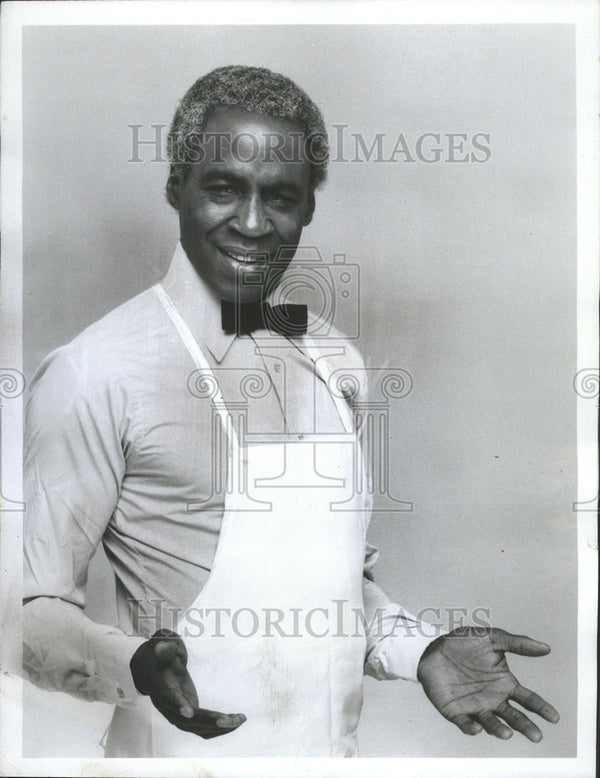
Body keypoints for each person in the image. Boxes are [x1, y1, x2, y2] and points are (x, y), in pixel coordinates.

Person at [23, 65, 559, 757]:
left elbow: (333, 587)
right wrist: (131, 666)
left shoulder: (334, 360)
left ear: (308, 207)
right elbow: (28, 615)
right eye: (223, 189)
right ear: (176, 186)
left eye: (279, 196)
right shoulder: (94, 372)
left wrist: (420, 648)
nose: (252, 223)